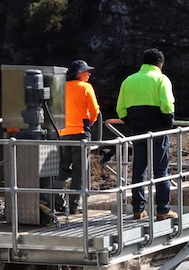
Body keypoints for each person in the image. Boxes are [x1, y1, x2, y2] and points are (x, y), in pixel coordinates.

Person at [115, 48, 178, 220]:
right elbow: (166, 104)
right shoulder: (161, 79)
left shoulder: (129, 81)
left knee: (138, 170)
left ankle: (138, 209)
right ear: (160, 63)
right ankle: (163, 210)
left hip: (138, 130)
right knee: (161, 170)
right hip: (158, 130)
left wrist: (132, 123)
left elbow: (120, 109)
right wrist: (168, 122)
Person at [58, 59, 101, 214]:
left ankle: (58, 202)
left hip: (63, 133)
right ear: (78, 73)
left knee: (62, 168)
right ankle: (75, 206)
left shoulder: (61, 87)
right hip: (80, 134)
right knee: (79, 171)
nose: (89, 73)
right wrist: (89, 122)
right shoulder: (85, 87)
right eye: (86, 71)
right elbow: (95, 110)